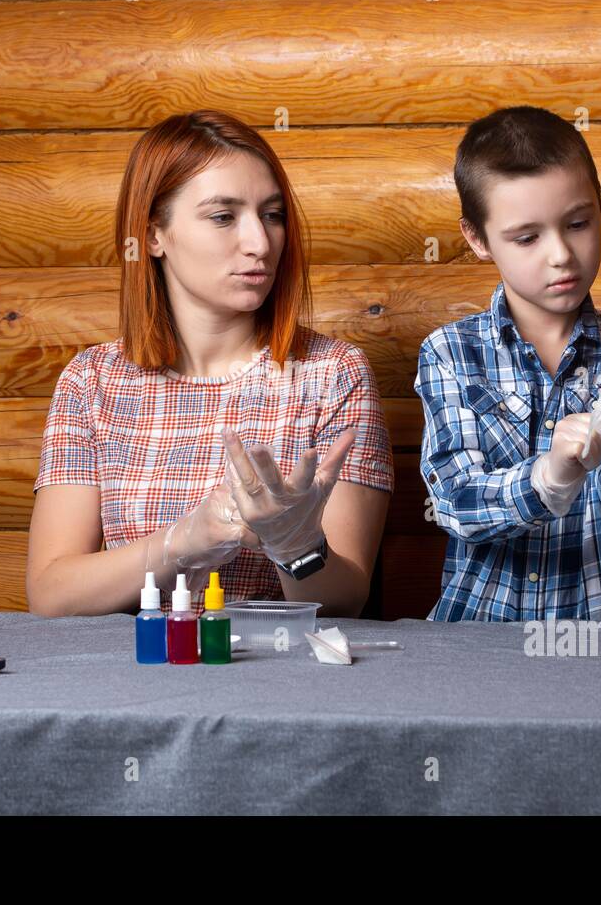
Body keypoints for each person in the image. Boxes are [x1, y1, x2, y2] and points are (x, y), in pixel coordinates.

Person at [27, 110, 393, 618]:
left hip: (275, 677)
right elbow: (51, 593)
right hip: (132, 674)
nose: (260, 243)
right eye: (223, 217)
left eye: (272, 214)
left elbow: (345, 600)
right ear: (153, 235)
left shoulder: (333, 373)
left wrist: (295, 546)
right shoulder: (94, 380)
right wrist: (180, 543)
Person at [416, 105, 601, 621]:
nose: (561, 255)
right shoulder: (450, 351)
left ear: (600, 209)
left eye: (577, 223)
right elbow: (455, 504)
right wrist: (547, 479)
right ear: (478, 239)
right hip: (479, 637)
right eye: (527, 237)